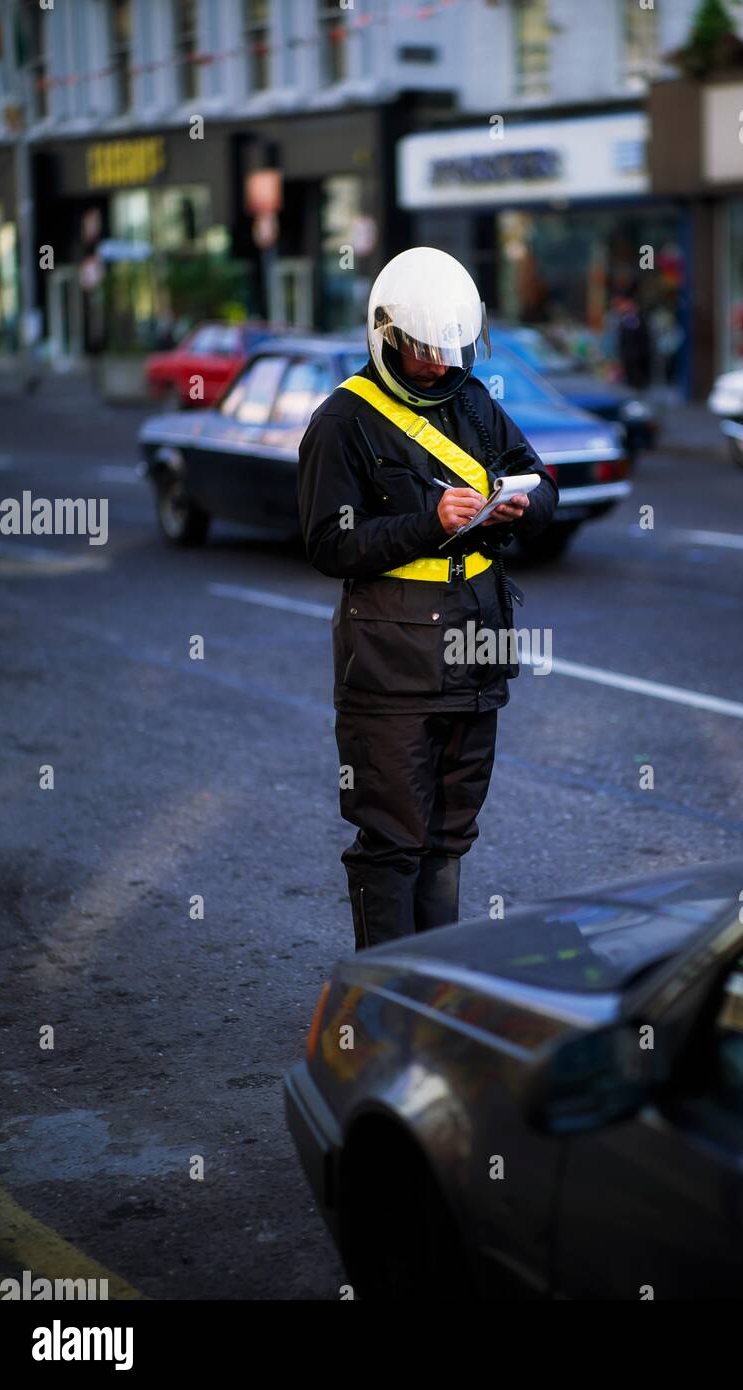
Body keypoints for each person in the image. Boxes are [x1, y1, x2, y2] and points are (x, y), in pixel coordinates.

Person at [297, 247, 559, 951]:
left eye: (454, 350)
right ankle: (383, 1007)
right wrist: (429, 523)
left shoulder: (472, 399)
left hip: (477, 654)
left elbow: (542, 488)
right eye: (425, 351)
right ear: (384, 337)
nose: (442, 366)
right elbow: (328, 544)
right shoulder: (342, 421)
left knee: (449, 838)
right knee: (392, 841)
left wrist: (518, 510)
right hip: (389, 666)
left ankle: (433, 992)